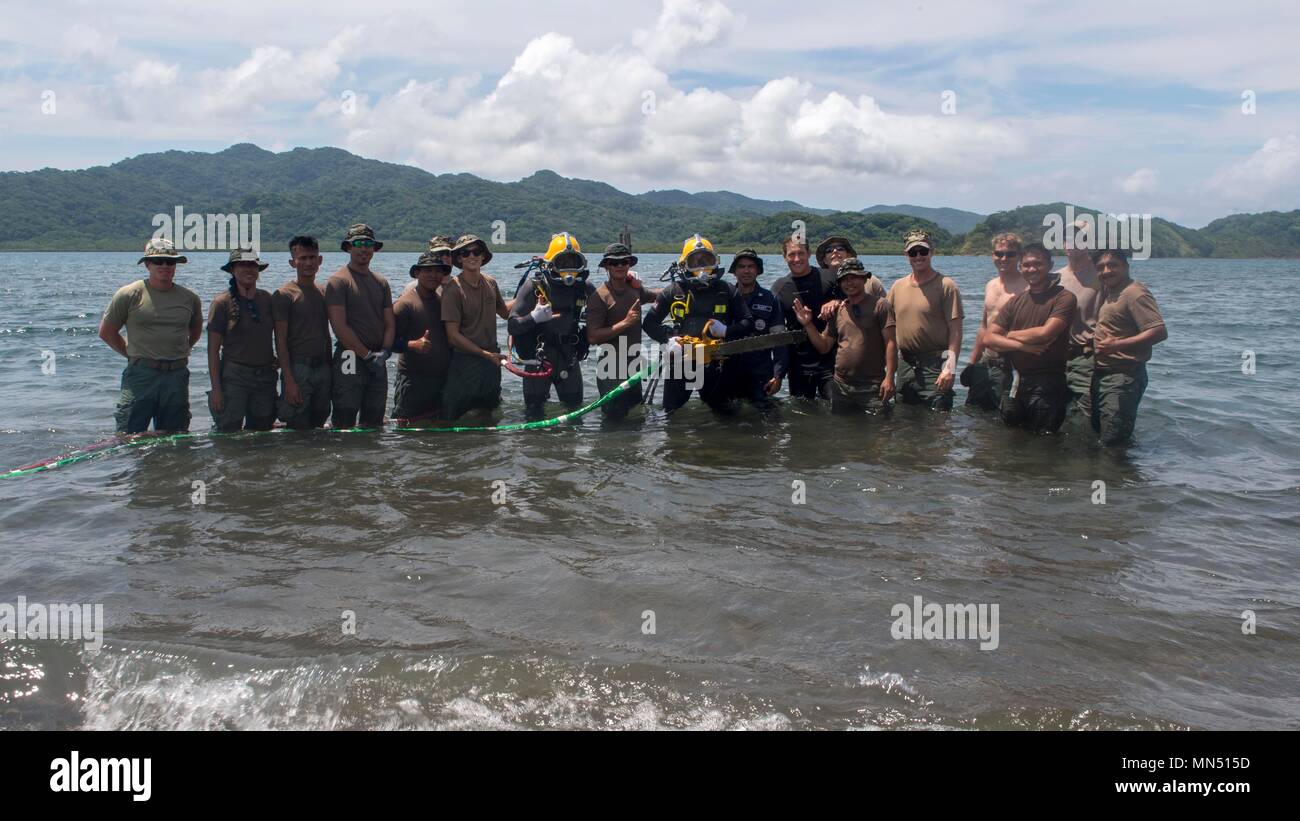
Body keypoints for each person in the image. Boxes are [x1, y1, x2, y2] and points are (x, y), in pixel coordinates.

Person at [98, 237, 203, 433]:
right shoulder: (129, 294)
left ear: (176, 265)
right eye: (158, 261)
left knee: (175, 439)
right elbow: (107, 332)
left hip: (176, 377)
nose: (164, 266)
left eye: (170, 262)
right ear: (147, 264)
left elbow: (196, 331)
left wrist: (182, 350)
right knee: (128, 435)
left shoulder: (190, 298)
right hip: (140, 375)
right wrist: (131, 354)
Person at [643, 234, 753, 413]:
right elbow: (649, 324)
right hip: (680, 361)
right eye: (695, 261)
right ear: (684, 265)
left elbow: (748, 322)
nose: (702, 267)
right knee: (671, 414)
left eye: (706, 260)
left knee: (724, 414)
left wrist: (726, 330)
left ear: (715, 262)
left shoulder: (726, 290)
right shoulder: (672, 291)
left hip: (716, 362)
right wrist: (669, 339)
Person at [980, 243, 1077, 433]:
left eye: (1038, 264)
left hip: (1047, 383)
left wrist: (1009, 335)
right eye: (1026, 265)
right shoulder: (1016, 301)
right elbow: (989, 338)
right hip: (1014, 382)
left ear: (1050, 264)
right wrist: (1021, 346)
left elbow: (1045, 333)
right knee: (1011, 440)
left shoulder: (1064, 298)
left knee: (1044, 444)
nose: (1032, 269)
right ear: (1020, 268)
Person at [793, 258, 895, 415]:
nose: (850, 283)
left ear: (864, 278)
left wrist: (889, 378)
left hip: (872, 386)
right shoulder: (839, 311)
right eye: (845, 280)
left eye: (854, 277)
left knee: (879, 432)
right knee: (841, 431)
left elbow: (891, 343)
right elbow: (824, 346)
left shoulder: (880, 305)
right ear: (840, 284)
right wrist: (808, 324)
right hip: (841, 386)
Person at [1090, 248, 1167, 446]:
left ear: (1126, 266)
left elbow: (1159, 331)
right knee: (1103, 433)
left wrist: (1117, 345)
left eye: (1113, 265)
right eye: (1101, 267)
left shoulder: (1135, 293)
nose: (1106, 271)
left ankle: (1117, 475)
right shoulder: (1111, 291)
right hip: (1104, 374)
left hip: (1124, 376)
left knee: (1113, 441)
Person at [325, 224, 395, 429]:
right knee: (345, 415)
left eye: (368, 244)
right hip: (350, 357)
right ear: (349, 247)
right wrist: (366, 355)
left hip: (378, 359)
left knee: (374, 417)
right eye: (358, 243)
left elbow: (390, 323)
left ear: (374, 248)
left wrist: (384, 352)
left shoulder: (381, 282)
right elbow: (339, 327)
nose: (363, 248)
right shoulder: (338, 281)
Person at [887, 229, 963, 411]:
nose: (918, 256)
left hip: (935, 366)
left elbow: (956, 331)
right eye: (913, 252)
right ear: (906, 255)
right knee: (904, 423)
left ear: (932, 252)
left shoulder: (946, 286)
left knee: (939, 426)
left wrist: (949, 368)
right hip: (905, 365)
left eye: (923, 251)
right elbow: (886, 325)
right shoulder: (897, 286)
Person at [206, 248, 278, 432]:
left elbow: (279, 337)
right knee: (228, 432)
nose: (248, 270)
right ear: (232, 270)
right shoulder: (221, 302)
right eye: (242, 265)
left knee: (262, 433)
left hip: (264, 378)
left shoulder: (267, 299)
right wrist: (216, 389)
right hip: (234, 377)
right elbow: (213, 350)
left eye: (252, 265)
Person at [441, 234, 510, 420]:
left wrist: (531, 297)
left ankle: (488, 449)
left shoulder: (491, 283)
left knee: (489, 411)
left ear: (483, 256)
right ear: (459, 259)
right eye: (465, 253)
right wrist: (483, 354)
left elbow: (505, 312)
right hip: (465, 362)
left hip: (492, 360)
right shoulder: (452, 290)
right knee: (455, 413)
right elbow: (453, 336)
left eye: (476, 251)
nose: (472, 256)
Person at [586, 243, 657, 420]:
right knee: (613, 419)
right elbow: (593, 336)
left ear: (629, 264)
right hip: (610, 366)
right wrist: (625, 323)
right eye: (614, 263)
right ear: (606, 266)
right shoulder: (599, 296)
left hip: (634, 363)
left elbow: (657, 295)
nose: (619, 266)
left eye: (624, 262)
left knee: (635, 415)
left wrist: (679, 290)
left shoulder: (635, 289)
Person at [769, 236, 841, 399]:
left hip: (831, 362)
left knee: (836, 409)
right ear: (784, 257)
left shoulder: (830, 277)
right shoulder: (779, 288)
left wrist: (837, 301)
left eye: (801, 253)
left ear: (809, 253)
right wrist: (778, 372)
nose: (796, 259)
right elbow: (776, 330)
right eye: (791, 255)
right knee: (801, 413)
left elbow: (853, 300)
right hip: (798, 364)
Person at [273, 235, 332, 429]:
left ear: (320, 260)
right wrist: (289, 380)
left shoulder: (324, 292)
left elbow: (327, 333)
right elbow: (280, 340)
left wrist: (331, 369)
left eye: (312, 257)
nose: (308, 263)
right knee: (297, 424)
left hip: (323, 366)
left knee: (320, 420)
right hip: (298, 368)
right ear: (293, 262)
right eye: (302, 258)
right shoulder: (285, 294)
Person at [963, 232, 1027, 411]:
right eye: (999, 253)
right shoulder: (991, 285)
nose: (1004, 258)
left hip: (1011, 363)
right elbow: (984, 326)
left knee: (1005, 415)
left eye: (1010, 254)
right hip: (986, 360)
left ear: (1019, 256)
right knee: (974, 411)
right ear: (993, 255)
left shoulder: (1027, 287)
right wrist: (972, 362)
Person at [392, 242, 453, 424]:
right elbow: (386, 341)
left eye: (437, 271)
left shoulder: (443, 301)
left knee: (436, 433)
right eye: (428, 271)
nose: (433, 275)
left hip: (441, 381)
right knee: (407, 432)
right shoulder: (405, 304)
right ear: (417, 273)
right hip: (413, 381)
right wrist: (411, 345)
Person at [724, 248, 787, 411]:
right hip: (728, 370)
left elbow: (780, 340)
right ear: (734, 271)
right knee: (726, 420)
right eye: (741, 267)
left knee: (768, 422)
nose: (746, 271)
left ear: (758, 270)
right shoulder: (724, 297)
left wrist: (778, 375)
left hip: (761, 371)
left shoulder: (771, 299)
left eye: (751, 266)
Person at [1054, 223, 1103, 416]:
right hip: (1056, 358)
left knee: (1085, 417)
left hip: (1087, 358)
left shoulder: (1103, 275)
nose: (1072, 242)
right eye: (1068, 237)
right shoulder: (1055, 277)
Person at [815, 235, 887, 299]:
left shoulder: (871, 281)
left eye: (840, 248)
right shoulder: (818, 284)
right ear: (824, 260)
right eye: (829, 250)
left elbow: (887, 309)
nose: (835, 251)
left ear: (849, 256)